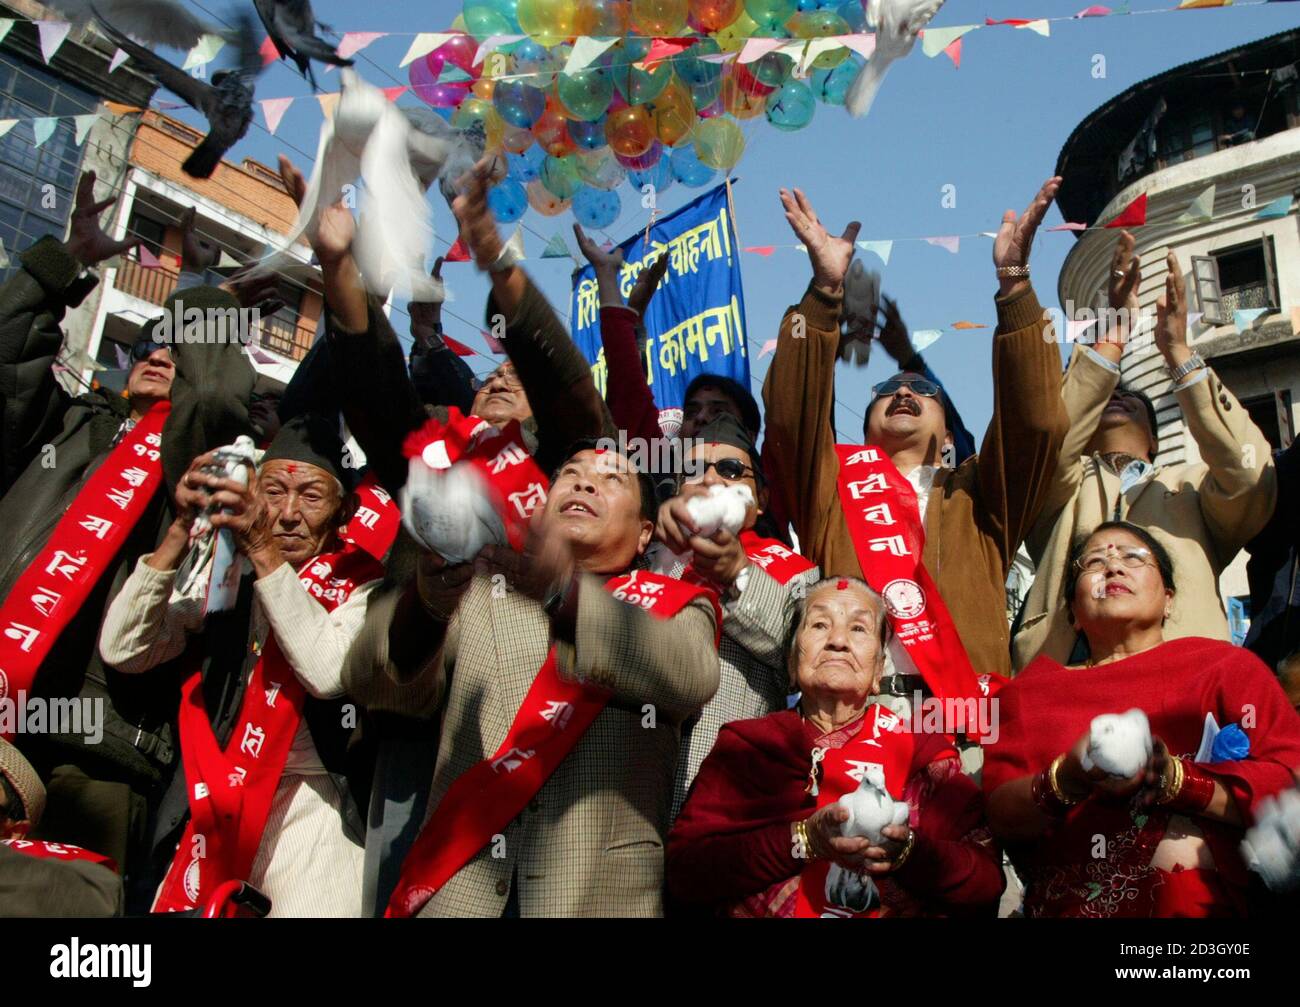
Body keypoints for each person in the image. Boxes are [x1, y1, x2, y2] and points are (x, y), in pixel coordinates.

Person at [0, 171, 273, 874]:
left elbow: (214, 396)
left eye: (175, 347)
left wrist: (207, 313)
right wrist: (64, 263)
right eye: (148, 344)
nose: (159, 352)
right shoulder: (65, 426)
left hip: (97, 746)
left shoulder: (193, 460)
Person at [343, 436, 721, 917]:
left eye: (612, 478)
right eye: (571, 472)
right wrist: (429, 599)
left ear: (646, 533)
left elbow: (689, 675)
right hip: (459, 891)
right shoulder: (485, 589)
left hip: (597, 898)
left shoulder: (677, 605)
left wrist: (560, 592)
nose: (585, 480)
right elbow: (371, 681)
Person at [762, 180, 1068, 704]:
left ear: (949, 436)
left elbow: (1036, 421)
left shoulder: (978, 494)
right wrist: (824, 293)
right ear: (863, 430)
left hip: (967, 718)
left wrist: (1015, 287)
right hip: (850, 715)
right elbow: (791, 417)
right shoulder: (833, 484)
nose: (904, 389)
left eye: (923, 389)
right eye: (886, 389)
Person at [97, 413, 394, 916]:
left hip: (319, 812)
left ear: (345, 512)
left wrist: (260, 549)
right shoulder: (227, 572)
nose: (287, 514)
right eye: (273, 492)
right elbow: (126, 650)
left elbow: (326, 673)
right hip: (217, 803)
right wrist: (180, 530)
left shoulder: (365, 584)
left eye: (311, 497)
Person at [985, 521, 1300, 917]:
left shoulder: (1224, 666)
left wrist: (1176, 781)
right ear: (1073, 615)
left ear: (1168, 599)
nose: (1113, 568)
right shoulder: (1028, 693)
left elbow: (1289, 777)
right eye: (1094, 562)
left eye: (1133, 558)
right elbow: (1001, 815)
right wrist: (1070, 776)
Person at [1012, 232, 1274, 670]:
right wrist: (1111, 340)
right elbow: (1049, 444)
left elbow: (1250, 476)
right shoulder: (1058, 488)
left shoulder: (1190, 485)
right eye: (1107, 395)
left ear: (1154, 438)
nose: (1119, 396)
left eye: (1132, 400)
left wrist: (1179, 355)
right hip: (1064, 676)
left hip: (1184, 680)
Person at [667, 576, 1003, 917]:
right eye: (819, 624)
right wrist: (805, 840)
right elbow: (684, 872)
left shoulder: (920, 751)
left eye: (858, 628)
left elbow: (986, 879)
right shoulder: (751, 746)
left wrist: (907, 854)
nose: (838, 641)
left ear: (877, 671)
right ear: (791, 665)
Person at [651, 413, 820, 819]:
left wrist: (736, 575)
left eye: (729, 469)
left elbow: (798, 660)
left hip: (726, 798)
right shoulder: (648, 559)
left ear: (760, 499)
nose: (710, 481)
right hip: (630, 796)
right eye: (693, 470)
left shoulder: (797, 572)